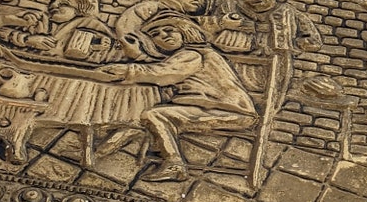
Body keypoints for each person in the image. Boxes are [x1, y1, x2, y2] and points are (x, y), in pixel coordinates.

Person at [91, 15, 258, 181]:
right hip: (207, 107)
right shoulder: (186, 54)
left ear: (184, 32)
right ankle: (98, 153)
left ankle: (175, 164)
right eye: (155, 34)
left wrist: (128, 70)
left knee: (154, 115)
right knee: (141, 117)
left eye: (169, 30)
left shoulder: (192, 54)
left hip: (228, 111)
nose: (164, 35)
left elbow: (164, 73)